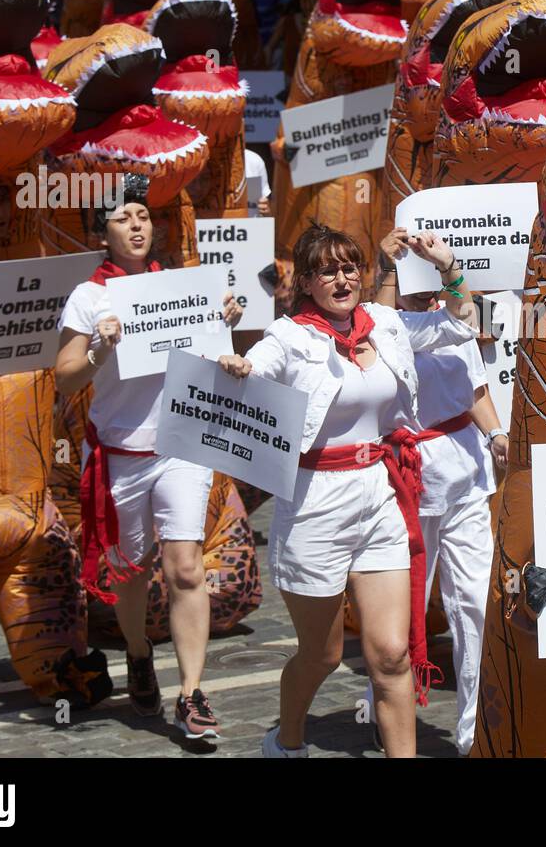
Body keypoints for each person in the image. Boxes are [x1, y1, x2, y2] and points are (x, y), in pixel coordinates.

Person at [218, 224, 480, 758]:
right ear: (308, 283)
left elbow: (462, 321)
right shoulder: (289, 338)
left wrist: (448, 267)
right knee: (323, 654)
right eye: (326, 271)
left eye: (349, 267)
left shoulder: (385, 323)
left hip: (381, 494)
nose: (341, 279)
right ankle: (287, 739)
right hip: (316, 503)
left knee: (390, 655)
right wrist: (238, 364)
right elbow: (256, 370)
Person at [54, 173, 244, 739]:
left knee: (185, 566)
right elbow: (65, 379)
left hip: (180, 446)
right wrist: (97, 348)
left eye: (142, 215)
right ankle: (139, 651)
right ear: (103, 232)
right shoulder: (89, 297)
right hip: (120, 454)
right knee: (130, 572)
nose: (137, 226)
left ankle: (191, 694)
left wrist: (226, 331)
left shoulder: (180, 286)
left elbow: (209, 357)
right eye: (123, 218)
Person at [364, 227, 507, 755]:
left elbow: (475, 388)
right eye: (414, 292)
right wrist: (386, 267)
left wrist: (496, 434)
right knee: (402, 604)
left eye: (432, 293)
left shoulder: (452, 324)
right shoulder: (381, 328)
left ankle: (473, 728)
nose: (426, 301)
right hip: (406, 477)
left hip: (464, 471)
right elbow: (379, 327)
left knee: (474, 600)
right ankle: (386, 706)